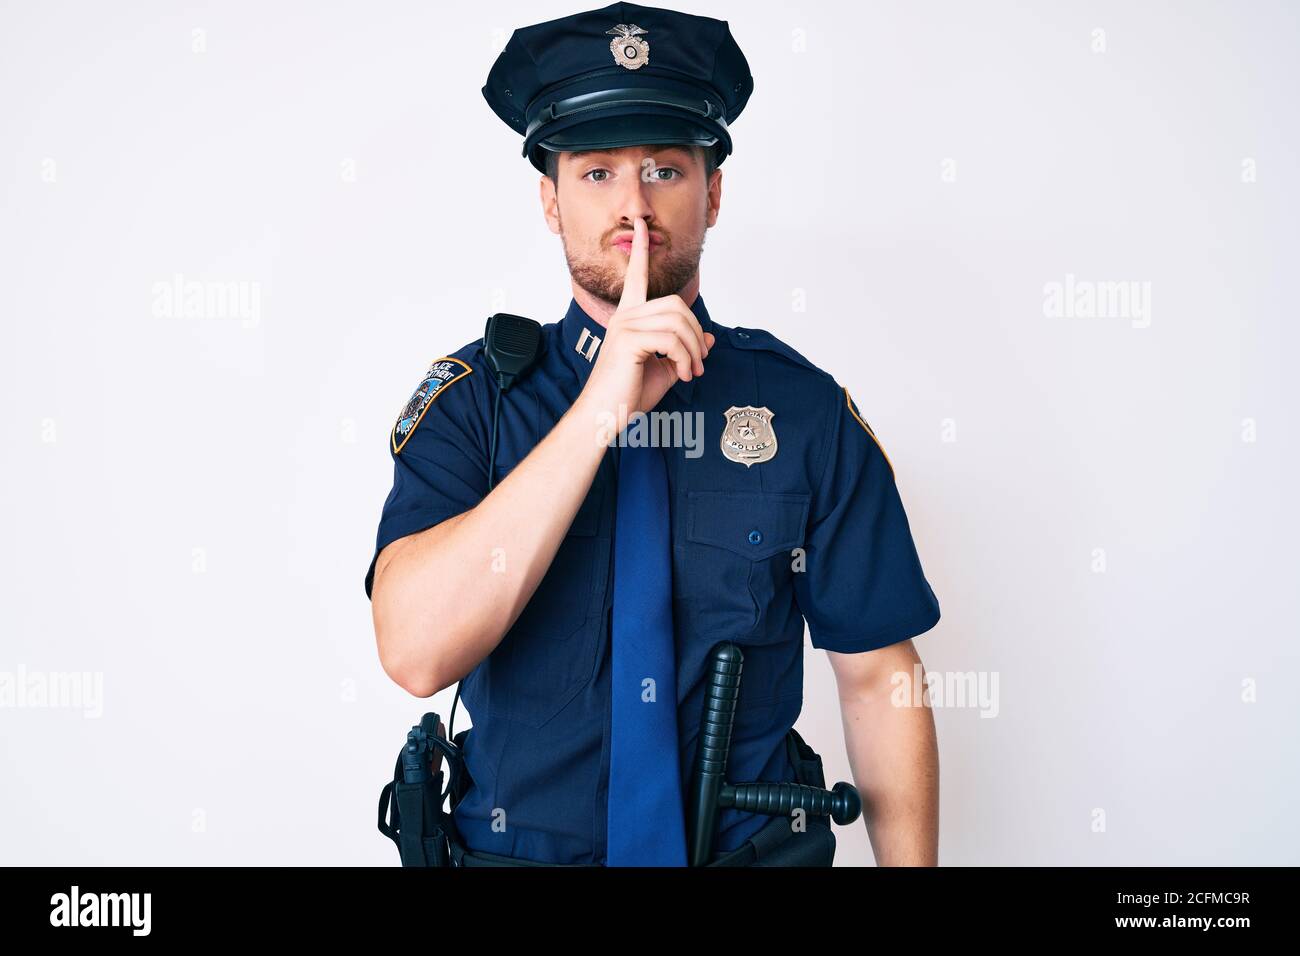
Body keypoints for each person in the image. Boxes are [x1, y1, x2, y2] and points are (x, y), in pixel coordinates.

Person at [365, 2, 943, 866]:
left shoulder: (803, 410)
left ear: (714, 193)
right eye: (596, 173)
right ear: (550, 202)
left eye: (665, 170)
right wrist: (599, 410)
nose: (633, 206)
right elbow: (413, 652)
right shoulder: (473, 401)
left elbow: (877, 681)